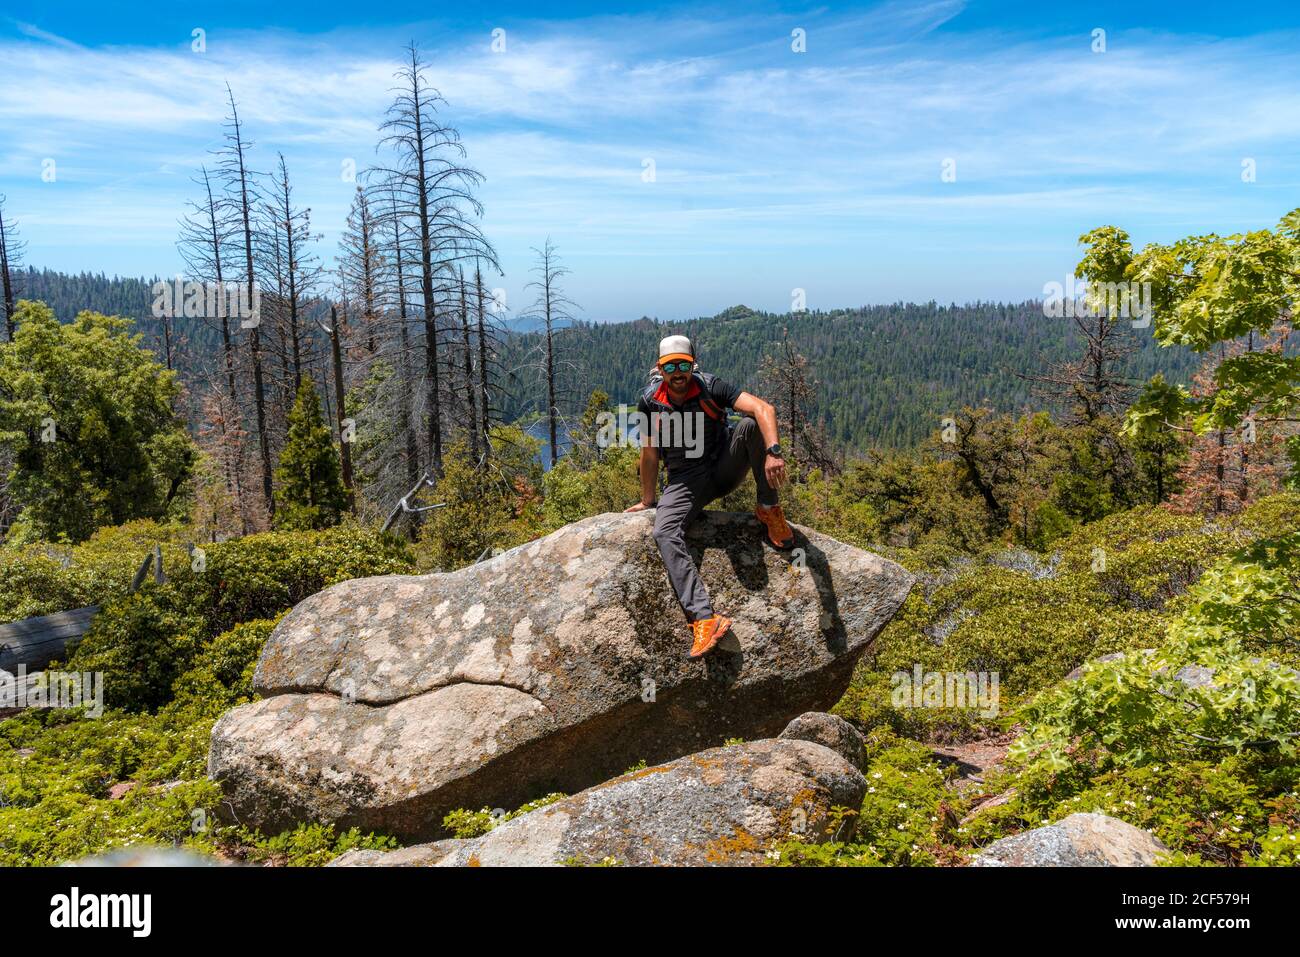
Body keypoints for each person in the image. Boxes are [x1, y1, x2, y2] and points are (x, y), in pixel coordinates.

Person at [624, 334, 795, 660]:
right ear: (660, 369)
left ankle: (769, 509)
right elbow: (648, 454)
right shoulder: (650, 402)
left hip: (722, 466)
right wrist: (648, 501)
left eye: (683, 365)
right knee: (663, 531)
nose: (678, 373)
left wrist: (774, 451)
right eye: (670, 366)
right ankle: (705, 618)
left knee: (750, 426)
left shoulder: (710, 386)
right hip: (685, 482)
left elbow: (763, 408)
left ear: (693, 365)